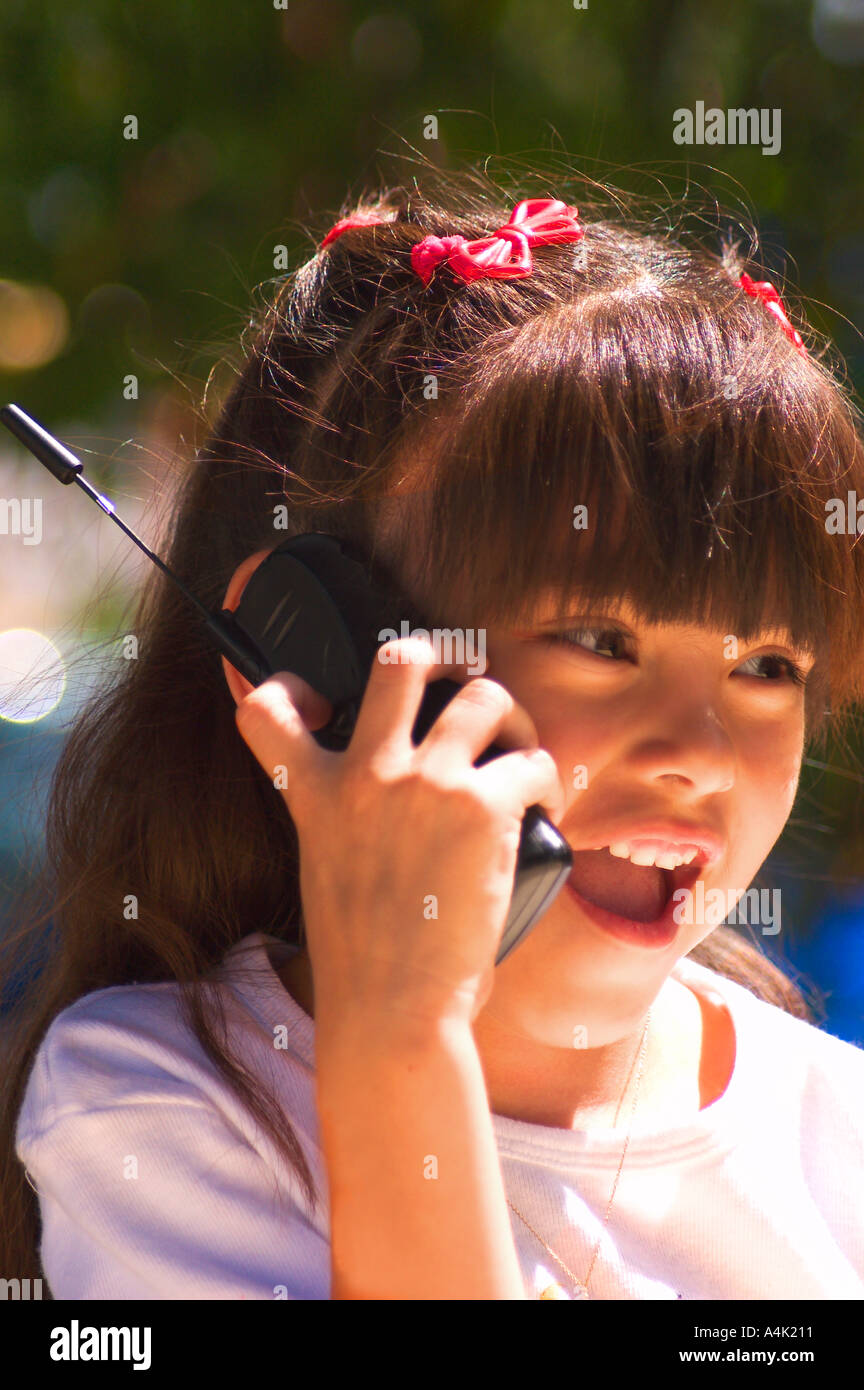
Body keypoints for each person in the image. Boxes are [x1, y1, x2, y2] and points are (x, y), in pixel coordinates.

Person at [3, 160, 864, 1300]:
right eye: (601, 640)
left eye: (766, 665)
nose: (701, 753)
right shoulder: (164, 1103)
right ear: (323, 660)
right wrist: (402, 1029)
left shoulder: (830, 1130)